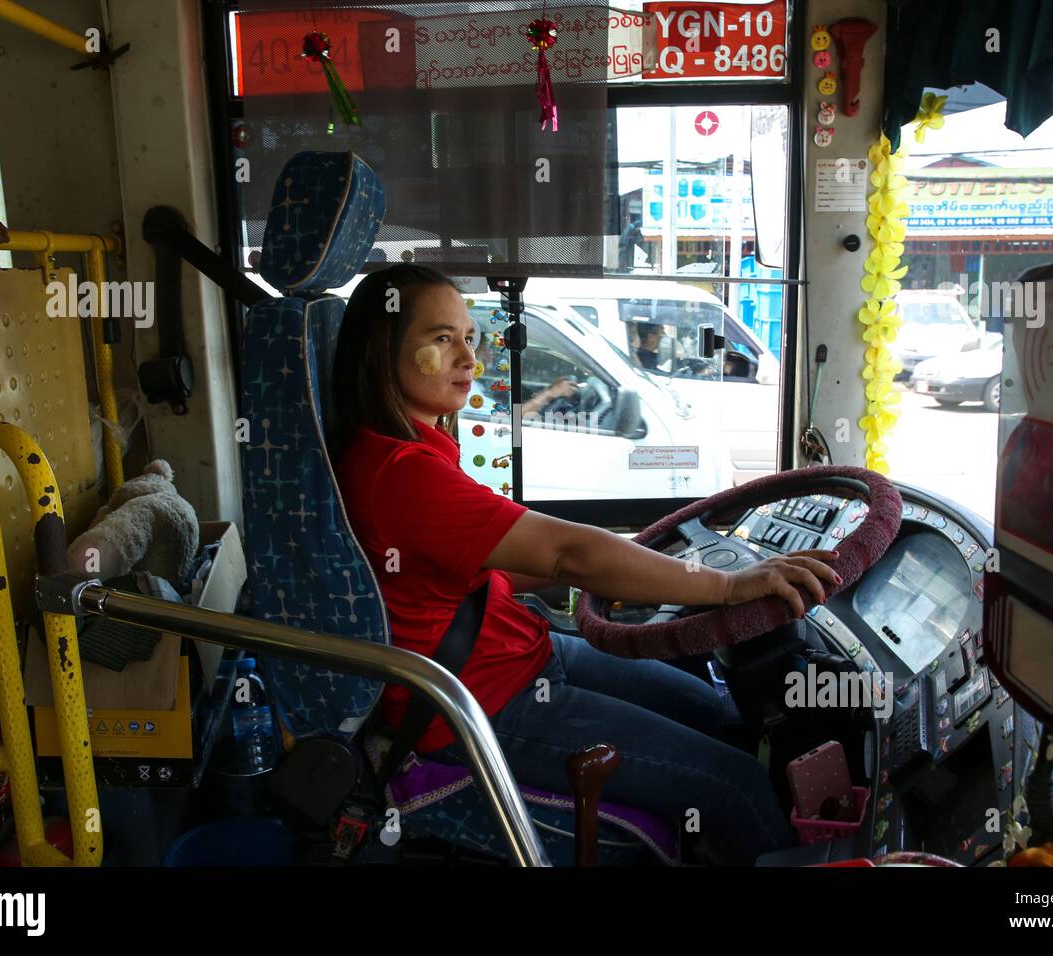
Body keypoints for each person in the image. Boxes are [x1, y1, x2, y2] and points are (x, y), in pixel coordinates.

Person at [327, 264, 840, 865]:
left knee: (717, 710)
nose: (468, 357)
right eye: (441, 340)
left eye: (469, 337)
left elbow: (495, 568)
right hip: (486, 700)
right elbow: (569, 550)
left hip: (527, 651)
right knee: (737, 784)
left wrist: (612, 569)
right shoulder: (403, 473)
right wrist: (726, 585)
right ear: (382, 351)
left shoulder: (405, 449)